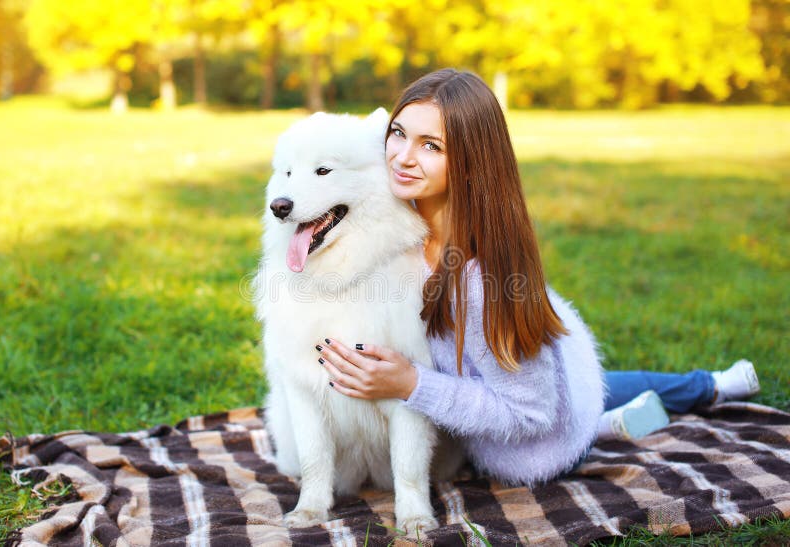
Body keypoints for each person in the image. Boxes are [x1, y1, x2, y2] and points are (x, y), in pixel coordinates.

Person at [314, 69, 760, 486]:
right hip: (555, 373)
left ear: (470, 162)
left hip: (539, 442)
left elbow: (529, 414)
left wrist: (411, 385)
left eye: (432, 146)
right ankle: (709, 384)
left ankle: (646, 415)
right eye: (398, 134)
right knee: (613, 386)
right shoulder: (404, 228)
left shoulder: (481, 282)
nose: (403, 157)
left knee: (583, 417)